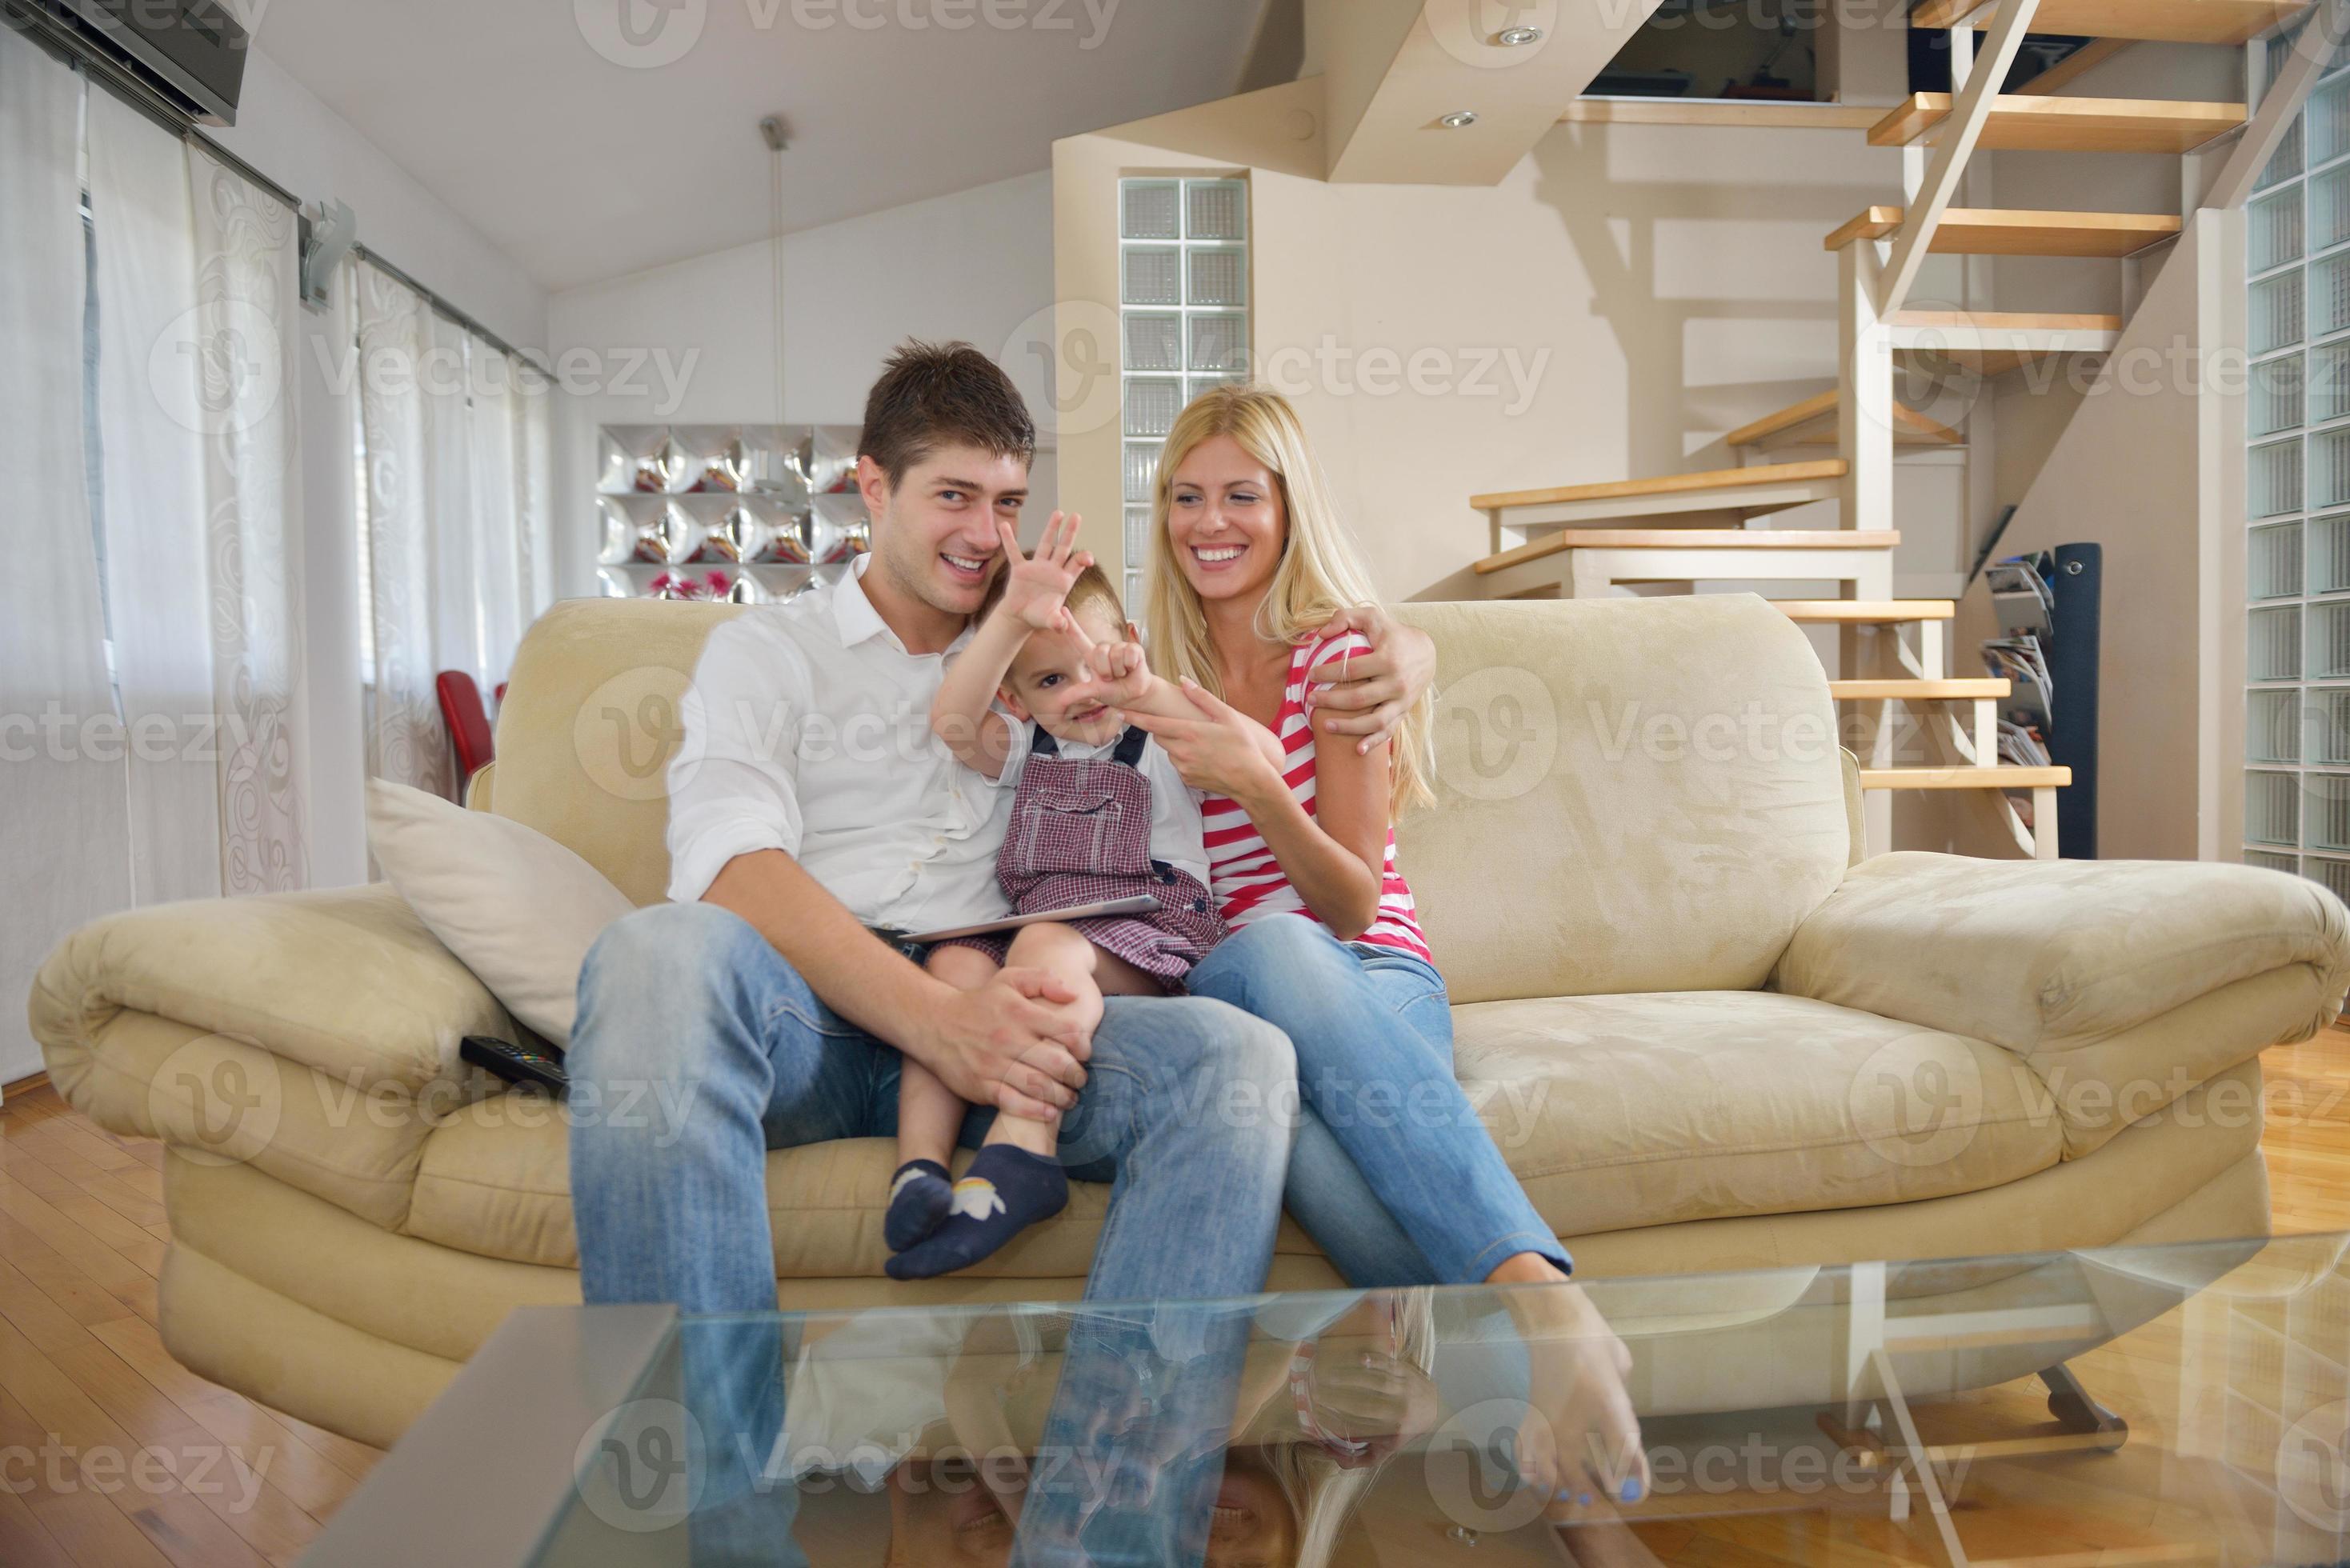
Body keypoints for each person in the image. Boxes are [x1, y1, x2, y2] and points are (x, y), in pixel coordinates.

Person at [562, 341, 1442, 1561]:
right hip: (823, 1021)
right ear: (872, 489)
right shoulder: (768, 655)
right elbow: (728, 866)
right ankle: (716, 1544)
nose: (985, 533)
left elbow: (1287, 670)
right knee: (658, 955)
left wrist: (1413, 645)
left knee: (1235, 1058)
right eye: (952, 497)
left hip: (1036, 1011)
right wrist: (937, 1023)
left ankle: (1101, 1545)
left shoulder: (1062, 655)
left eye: (1008, 502)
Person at [1070, 382, 1648, 1508]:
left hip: (1364, 978)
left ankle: (1549, 1312)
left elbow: (1342, 902)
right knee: (1256, 1060)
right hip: (1236, 1006)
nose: (1210, 522)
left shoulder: (1338, 660)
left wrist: (1253, 777)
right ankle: (1546, 1419)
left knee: (1281, 968)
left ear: (1288, 510)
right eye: (1185, 497)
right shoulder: (1150, 678)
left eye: (1242, 495)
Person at [887, 516, 1228, 1278]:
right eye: (1049, 680)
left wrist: (1146, 689)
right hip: (1039, 928)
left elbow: (1259, 760)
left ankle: (1025, 1142)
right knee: (946, 974)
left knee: (1043, 946)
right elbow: (951, 722)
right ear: (1013, 693)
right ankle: (920, 1170)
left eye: (1095, 665)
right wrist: (1011, 621)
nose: (1080, 693)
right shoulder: (1022, 750)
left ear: (1130, 644)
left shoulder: (1165, 735)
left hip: (1154, 917)